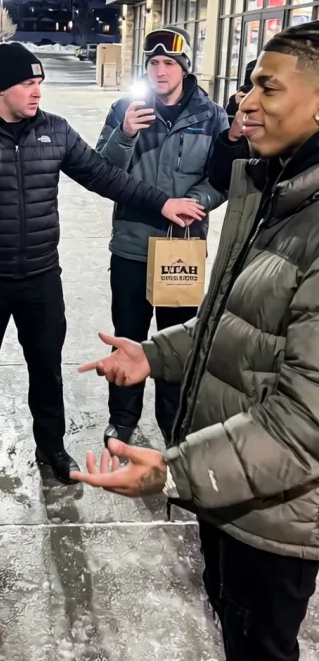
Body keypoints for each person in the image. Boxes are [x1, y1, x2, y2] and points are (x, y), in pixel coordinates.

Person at [73, 21, 319, 661]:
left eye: (267, 86)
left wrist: (176, 468)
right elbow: (223, 329)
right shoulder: (272, 188)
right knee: (240, 649)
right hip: (232, 491)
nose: (247, 101)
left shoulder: (284, 199)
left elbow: (304, 424)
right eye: (246, 85)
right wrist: (151, 356)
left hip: (274, 509)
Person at [0, 41, 205, 488]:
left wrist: (161, 204)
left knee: (46, 369)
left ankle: (52, 448)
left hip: (42, 279)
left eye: (40, 83)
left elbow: (107, 177)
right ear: (3, 87)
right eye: (28, 83)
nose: (37, 92)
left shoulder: (56, 132)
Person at [96, 26, 227, 446]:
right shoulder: (124, 109)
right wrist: (125, 135)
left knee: (177, 341)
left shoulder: (211, 116)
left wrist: (195, 202)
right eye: (153, 63)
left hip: (181, 248)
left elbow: (222, 176)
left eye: (169, 63)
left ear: (185, 69)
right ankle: (122, 418)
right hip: (132, 246)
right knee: (128, 335)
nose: (159, 71)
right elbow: (101, 172)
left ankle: (174, 423)